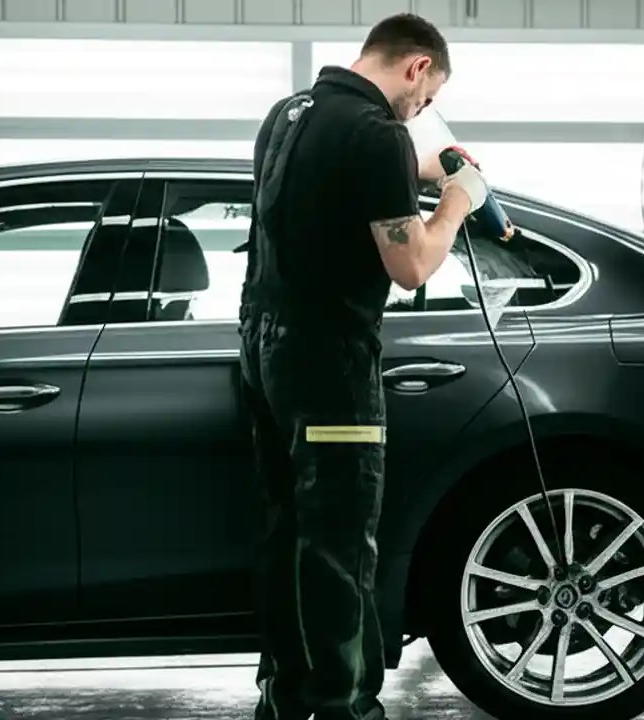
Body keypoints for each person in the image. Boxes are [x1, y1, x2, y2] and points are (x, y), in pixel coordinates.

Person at [237, 11, 489, 720]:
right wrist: (459, 202)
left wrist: (435, 164)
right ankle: (344, 708)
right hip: (330, 366)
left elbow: (340, 180)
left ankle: (285, 701)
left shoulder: (289, 115)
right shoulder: (379, 135)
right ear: (416, 67)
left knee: (287, 534)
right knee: (340, 545)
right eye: (428, 96)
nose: (422, 111)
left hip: (263, 350)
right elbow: (410, 264)